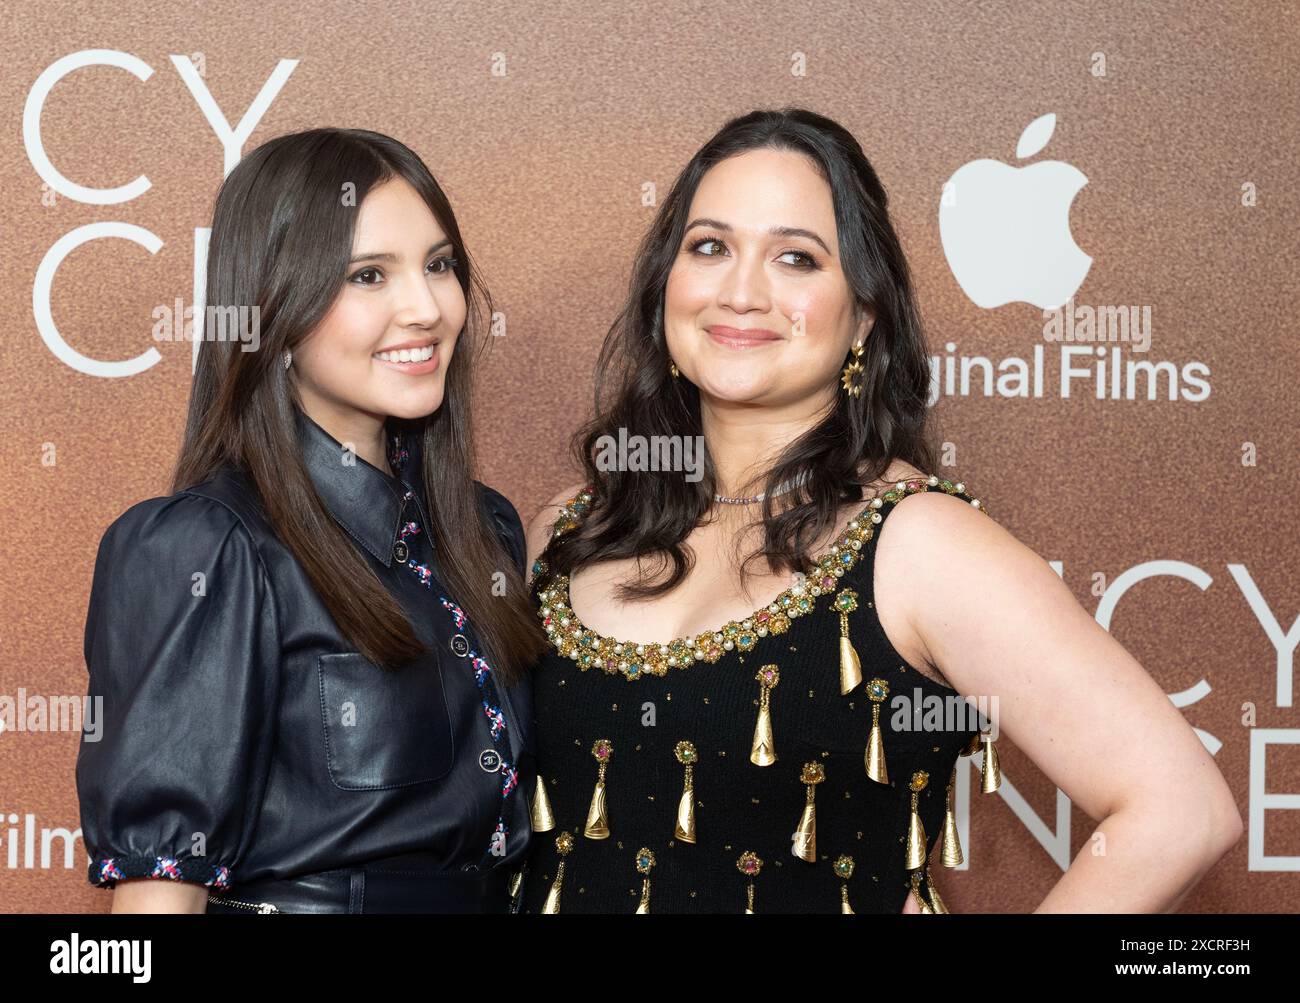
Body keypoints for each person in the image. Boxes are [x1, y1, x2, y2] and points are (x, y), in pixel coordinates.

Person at [517, 108, 1242, 913]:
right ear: (665, 286)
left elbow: (1181, 810)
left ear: (863, 314)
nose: (742, 290)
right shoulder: (572, 528)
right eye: (710, 246)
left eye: (796, 258)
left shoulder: (920, 545)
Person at [76, 128, 545, 914]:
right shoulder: (207, 545)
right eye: (368, 275)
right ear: (273, 312)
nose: (426, 308)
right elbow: (159, 900)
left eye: (439, 265)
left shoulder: (482, 528)